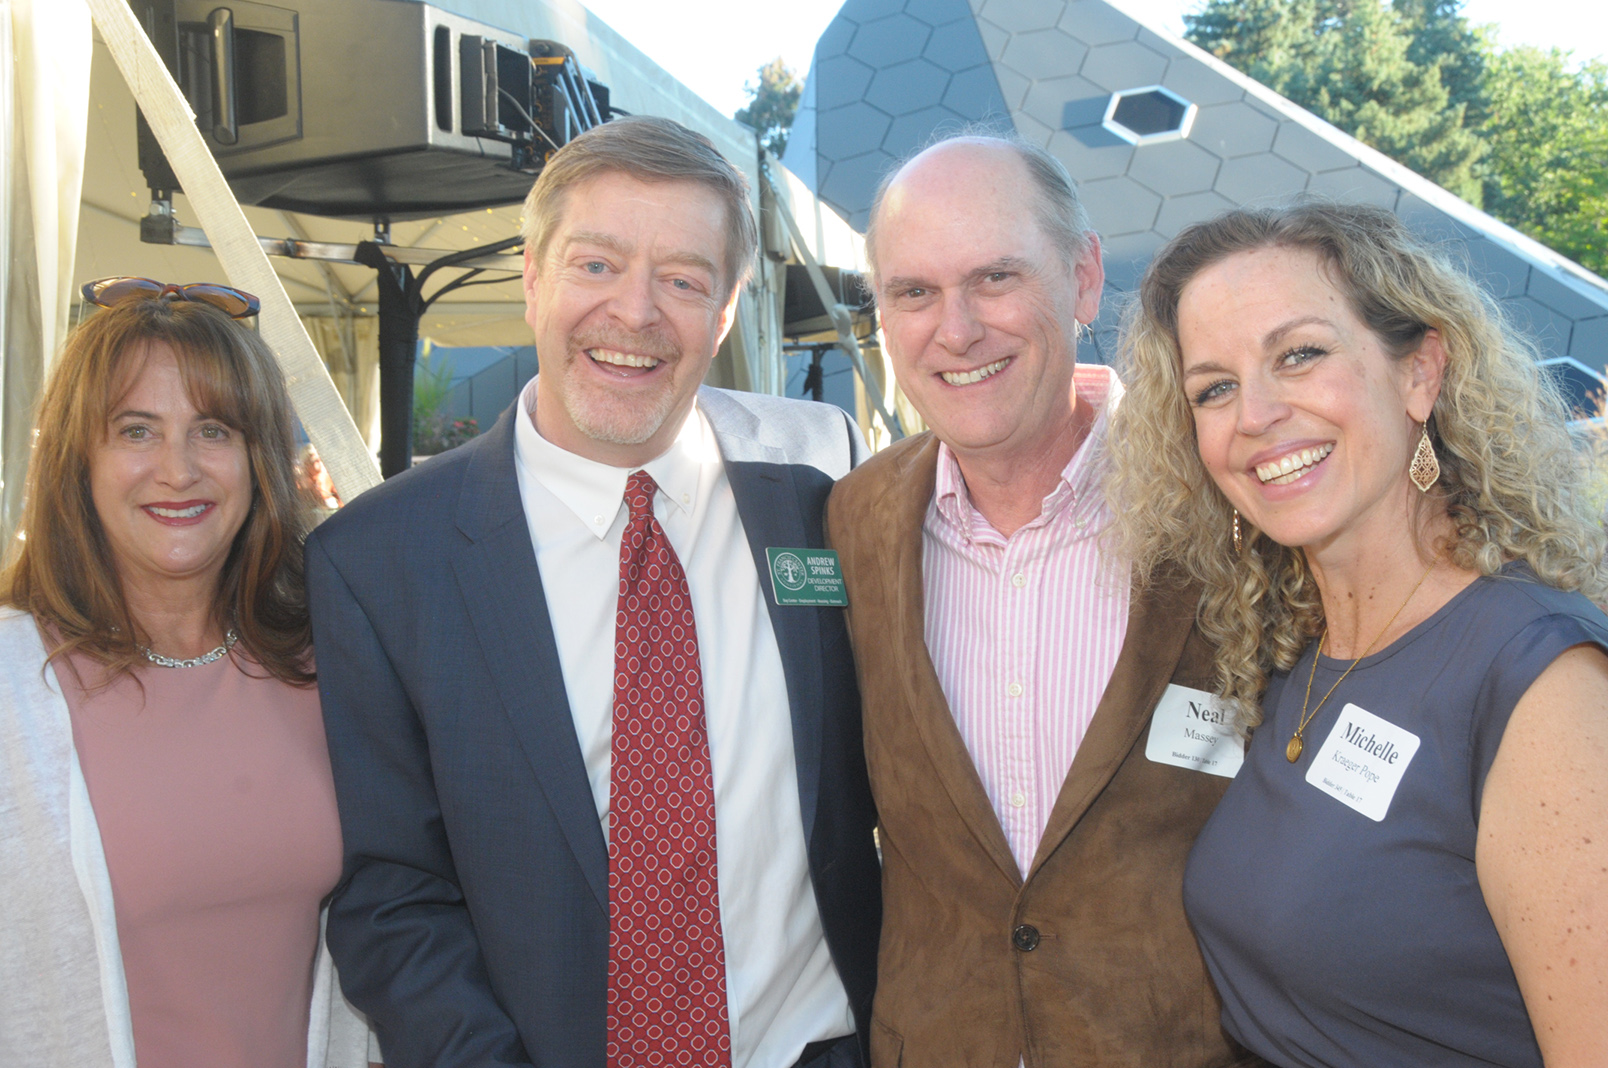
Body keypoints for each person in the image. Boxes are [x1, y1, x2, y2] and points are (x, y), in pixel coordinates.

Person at [305, 115, 880, 1068]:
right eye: (597, 264)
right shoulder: (377, 561)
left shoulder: (823, 479)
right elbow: (392, 895)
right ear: (533, 278)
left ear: (725, 311)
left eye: (683, 279)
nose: (635, 311)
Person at [1107, 202, 1608, 1068]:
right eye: (1215, 389)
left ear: (1421, 373)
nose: (1255, 414)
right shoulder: (1295, 651)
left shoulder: (1543, 685)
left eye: (1299, 355)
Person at [826, 134, 1258, 1066]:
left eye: (995, 277)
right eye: (914, 292)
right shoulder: (853, 524)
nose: (956, 330)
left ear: (1084, 278)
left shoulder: (1230, 505)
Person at [0, 280, 368, 1066]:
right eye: (136, 431)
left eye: (213, 431)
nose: (178, 469)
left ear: (258, 460)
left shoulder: (327, 664)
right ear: (77, 460)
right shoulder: (11, 681)